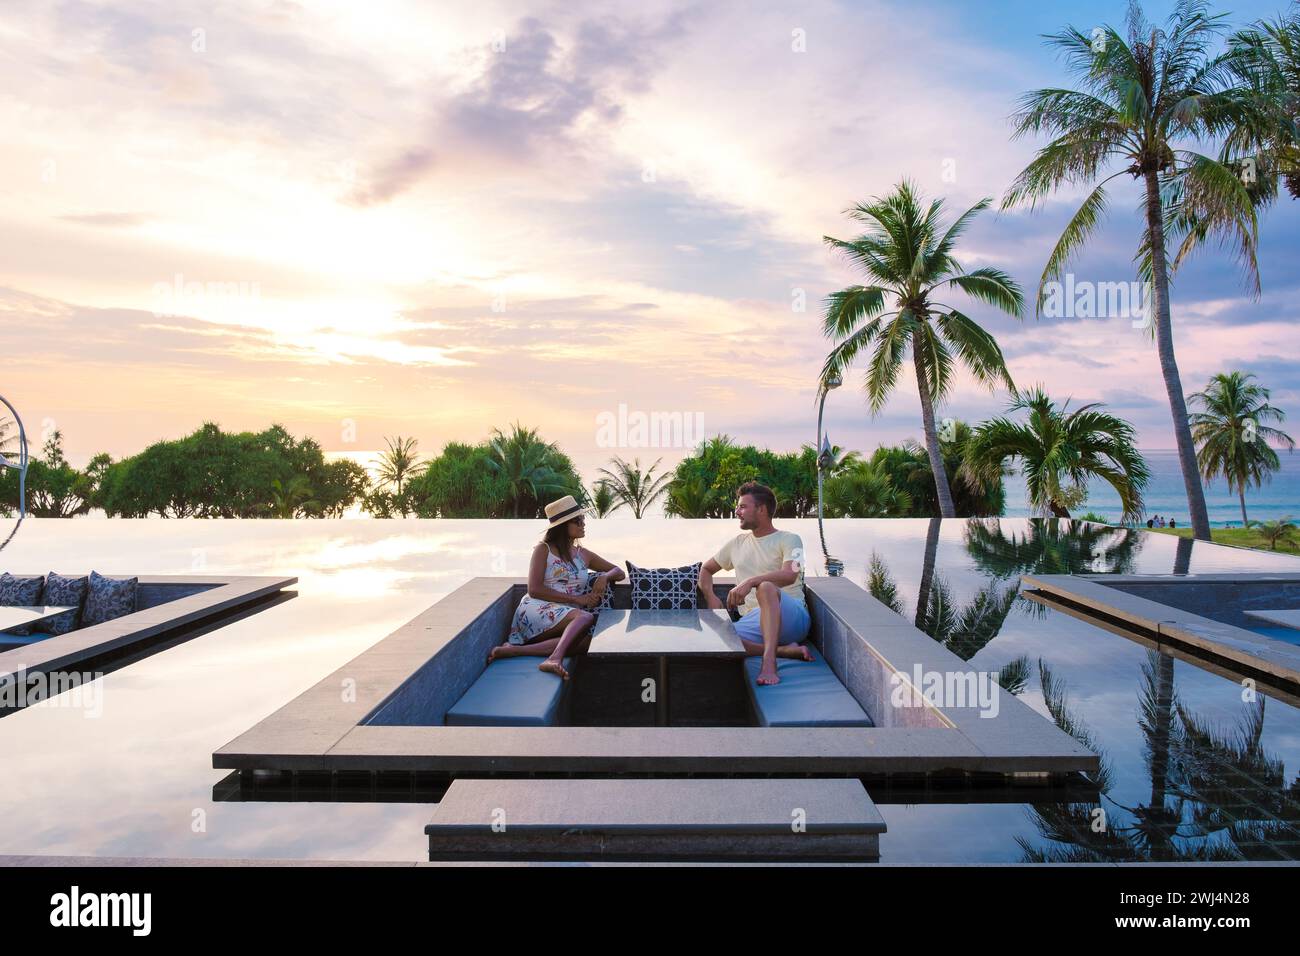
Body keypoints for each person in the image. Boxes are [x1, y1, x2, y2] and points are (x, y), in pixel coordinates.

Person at [488, 494, 624, 680]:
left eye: (583, 519)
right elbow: (534, 589)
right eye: (578, 520)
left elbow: (619, 572)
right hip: (537, 608)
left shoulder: (583, 554)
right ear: (563, 526)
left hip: (567, 616)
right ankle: (554, 658)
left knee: (587, 642)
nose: (583, 523)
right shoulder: (543, 549)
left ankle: (514, 651)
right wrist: (577, 599)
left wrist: (605, 577)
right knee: (585, 617)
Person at [698, 481, 812, 686]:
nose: (736, 511)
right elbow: (706, 570)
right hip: (754, 620)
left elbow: (789, 575)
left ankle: (769, 661)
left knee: (766, 587)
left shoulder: (790, 539)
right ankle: (783, 650)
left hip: (791, 615)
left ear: (761, 509)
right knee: (715, 637)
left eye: (743, 507)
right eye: (737, 506)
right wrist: (711, 596)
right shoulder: (737, 543)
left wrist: (751, 581)